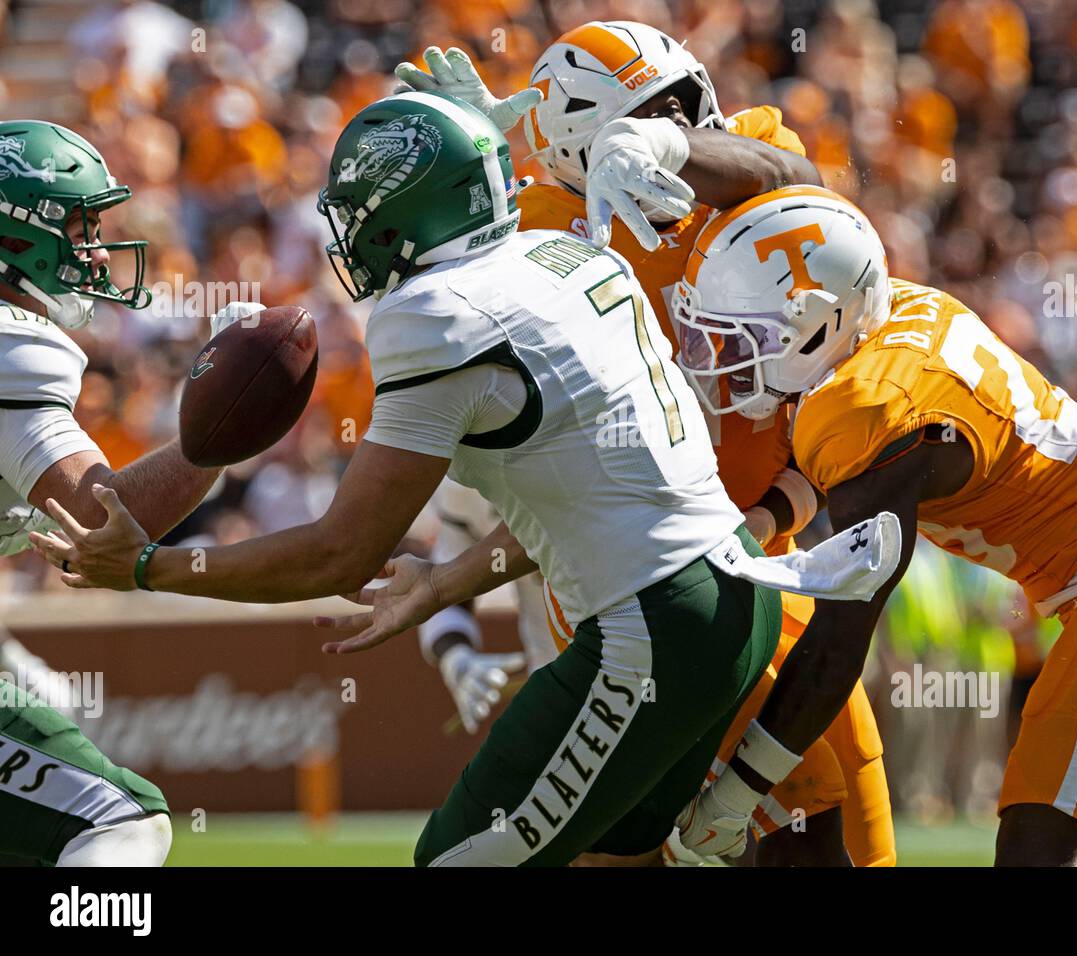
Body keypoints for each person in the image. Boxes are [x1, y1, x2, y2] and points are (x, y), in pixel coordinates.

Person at [30, 94, 897, 866]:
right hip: (734, 594)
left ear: (408, 211)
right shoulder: (571, 259)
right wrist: (445, 580)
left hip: (653, 629)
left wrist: (151, 568)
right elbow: (595, 486)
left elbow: (340, 554)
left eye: (361, 211)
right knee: (618, 855)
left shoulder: (432, 315)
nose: (350, 234)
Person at [669, 185, 1077, 866]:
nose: (720, 358)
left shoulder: (866, 410)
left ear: (819, 321)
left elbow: (839, 638)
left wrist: (738, 794)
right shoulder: (893, 313)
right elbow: (844, 478)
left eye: (747, 336)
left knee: (1035, 848)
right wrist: (758, 522)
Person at [396, 21, 896, 866]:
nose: (681, 124)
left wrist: (656, 142)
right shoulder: (529, 233)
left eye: (680, 106)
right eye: (649, 112)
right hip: (631, 577)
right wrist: (461, 165)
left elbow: (800, 183)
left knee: (838, 822)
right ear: (570, 151)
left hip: (757, 553)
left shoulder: (740, 165)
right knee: (646, 843)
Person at [0, 119, 231, 865]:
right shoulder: (14, 344)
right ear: (12, 238)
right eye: (78, 225)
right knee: (121, 823)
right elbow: (105, 529)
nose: (96, 250)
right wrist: (220, 432)